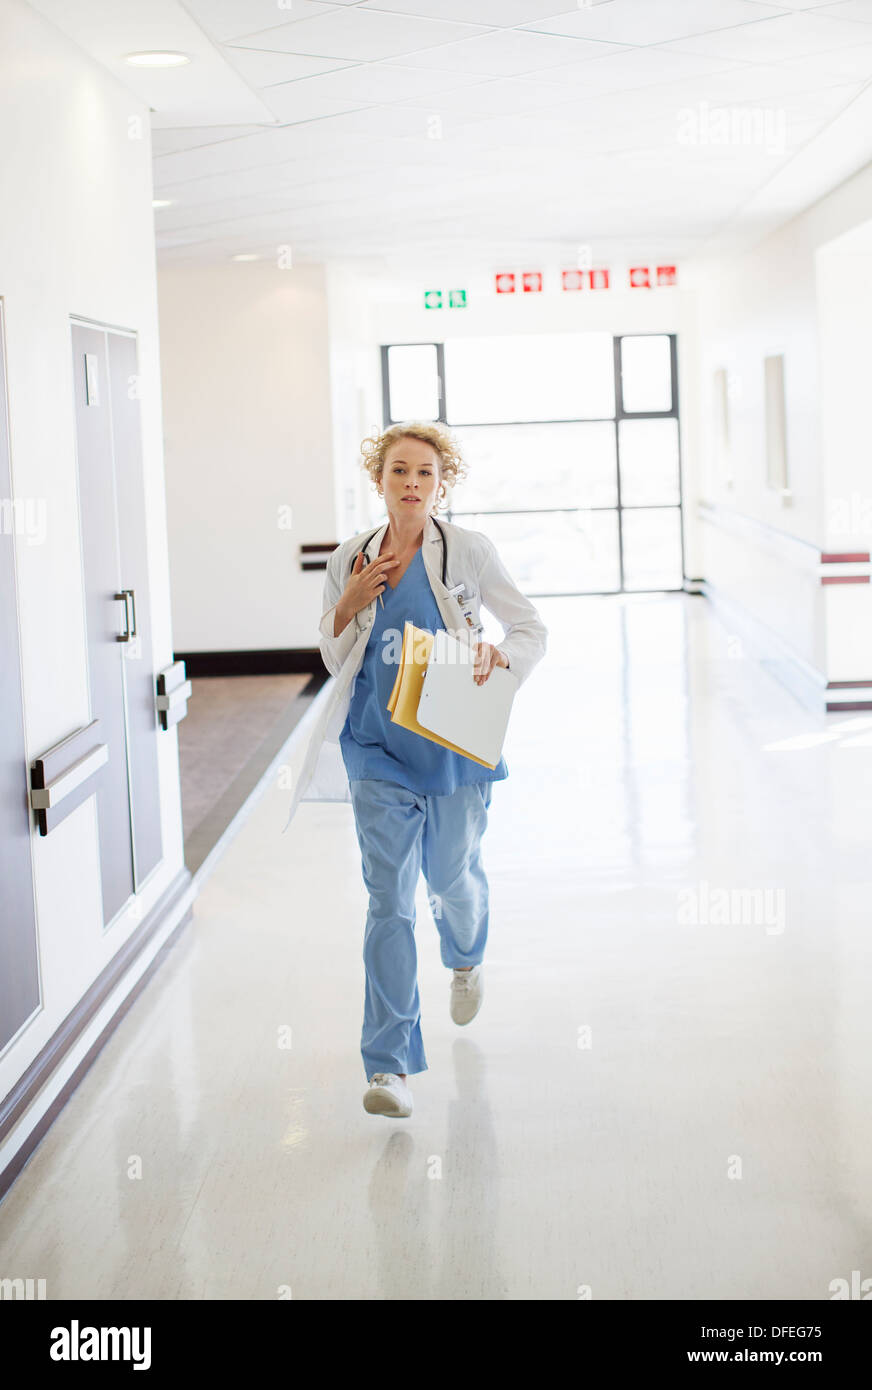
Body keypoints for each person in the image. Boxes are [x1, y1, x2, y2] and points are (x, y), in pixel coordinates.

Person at [299, 421, 547, 1118]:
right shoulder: (349, 558)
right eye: (399, 471)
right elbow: (334, 655)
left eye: (425, 475)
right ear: (378, 479)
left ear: (442, 485)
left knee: (451, 880)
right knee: (388, 902)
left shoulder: (466, 551)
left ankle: (465, 956)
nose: (411, 484)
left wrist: (501, 659)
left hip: (454, 748)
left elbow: (530, 628)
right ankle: (388, 1067)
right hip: (375, 751)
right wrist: (345, 607)